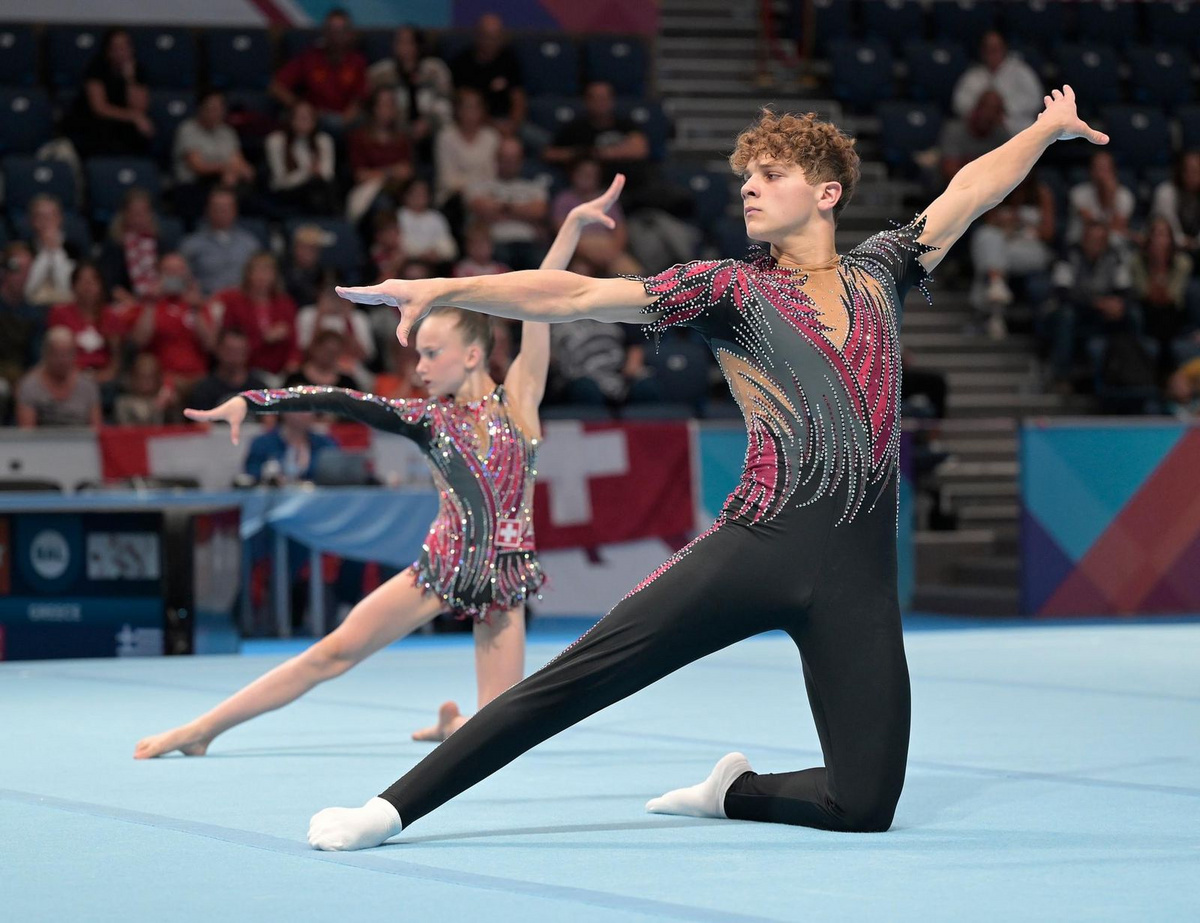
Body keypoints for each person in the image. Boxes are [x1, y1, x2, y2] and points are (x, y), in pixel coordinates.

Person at [313, 86, 1109, 851]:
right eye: (744, 178)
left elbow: (970, 191)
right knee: (576, 681)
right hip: (756, 547)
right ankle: (389, 807)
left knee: (863, 804)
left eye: (771, 175)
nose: (750, 190)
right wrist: (452, 286)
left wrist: (1044, 133)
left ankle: (732, 791)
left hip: (858, 580)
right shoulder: (729, 289)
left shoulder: (882, 273)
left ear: (828, 192)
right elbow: (579, 295)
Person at [133, 176, 626, 760]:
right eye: (417, 353)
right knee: (331, 654)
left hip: (504, 581)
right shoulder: (425, 419)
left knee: (502, 732)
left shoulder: (520, 403)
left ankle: (460, 724)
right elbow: (339, 399)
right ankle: (199, 730)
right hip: (441, 566)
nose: (419, 366)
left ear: (472, 353)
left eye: (431, 353)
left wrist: (568, 226)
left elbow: (541, 304)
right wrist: (256, 401)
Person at [269, 7, 367, 132]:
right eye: (331, 30)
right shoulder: (310, 58)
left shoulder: (358, 61)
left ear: (349, 34)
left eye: (341, 30)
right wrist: (300, 107)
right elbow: (276, 87)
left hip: (348, 121)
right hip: (316, 120)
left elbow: (359, 99)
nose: (335, 35)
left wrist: (345, 120)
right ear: (324, 32)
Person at [64, 27, 153, 158]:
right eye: (116, 47)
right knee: (103, 132)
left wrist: (130, 79)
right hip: (95, 121)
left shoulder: (137, 70)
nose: (122, 51)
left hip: (124, 123)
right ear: (108, 51)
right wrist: (133, 117)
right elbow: (99, 108)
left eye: (125, 46)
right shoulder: (97, 67)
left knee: (143, 133)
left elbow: (140, 108)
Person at [213, 252, 300, 380]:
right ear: (248, 274)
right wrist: (264, 339)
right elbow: (230, 344)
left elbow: (294, 343)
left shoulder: (285, 304)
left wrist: (293, 363)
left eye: (267, 272)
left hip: (282, 371)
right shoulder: (235, 304)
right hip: (247, 370)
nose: (262, 277)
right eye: (258, 271)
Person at [173, 90, 256, 224]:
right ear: (201, 109)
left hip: (223, 183)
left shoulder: (227, 132)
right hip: (194, 186)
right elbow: (197, 166)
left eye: (220, 108)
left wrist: (241, 171)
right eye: (212, 108)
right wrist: (225, 169)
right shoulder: (188, 129)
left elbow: (239, 162)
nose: (217, 112)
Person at [951, 30, 1043, 135]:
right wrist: (985, 111)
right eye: (989, 49)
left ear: (1004, 48)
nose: (993, 53)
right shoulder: (973, 75)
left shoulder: (1020, 71)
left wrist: (1003, 107)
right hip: (980, 129)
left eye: (996, 48)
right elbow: (958, 104)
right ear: (982, 51)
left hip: (1015, 126)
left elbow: (1035, 100)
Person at [15, 326, 102, 428]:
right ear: (46, 354)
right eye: (57, 355)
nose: (62, 361)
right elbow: (26, 434)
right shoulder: (29, 386)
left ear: (74, 354)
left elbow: (96, 432)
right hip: (41, 442)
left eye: (67, 354)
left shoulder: (88, 386)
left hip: (80, 442)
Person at [180, 187, 261, 295]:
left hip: (244, 304)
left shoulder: (250, 243)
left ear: (235, 211)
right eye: (217, 207)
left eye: (226, 208)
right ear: (207, 210)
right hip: (205, 303)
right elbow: (180, 279)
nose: (222, 212)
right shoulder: (191, 245)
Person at [265, 102, 338, 216]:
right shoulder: (276, 141)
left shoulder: (323, 140)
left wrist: (313, 174)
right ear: (290, 119)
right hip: (285, 191)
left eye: (308, 117)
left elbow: (328, 174)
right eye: (300, 117)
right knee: (314, 190)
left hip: (317, 188)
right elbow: (280, 181)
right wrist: (306, 173)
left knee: (320, 190)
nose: (304, 121)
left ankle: (328, 222)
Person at [99, 189, 166, 304]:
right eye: (135, 213)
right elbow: (108, 283)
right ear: (125, 214)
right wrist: (131, 302)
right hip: (126, 303)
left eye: (144, 213)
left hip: (157, 300)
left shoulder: (159, 242)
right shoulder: (114, 245)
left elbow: (171, 275)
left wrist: (161, 287)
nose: (140, 218)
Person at [188, 327, 268, 411]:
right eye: (229, 351)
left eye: (239, 352)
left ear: (247, 353)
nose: (234, 358)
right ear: (218, 351)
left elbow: (269, 420)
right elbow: (201, 421)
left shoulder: (259, 388)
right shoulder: (204, 389)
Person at [23, 195, 78, 307]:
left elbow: (67, 289)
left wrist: (56, 251)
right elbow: (27, 291)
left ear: (60, 218)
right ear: (32, 221)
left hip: (66, 306)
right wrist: (45, 253)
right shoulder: (25, 250)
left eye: (51, 216)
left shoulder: (73, 249)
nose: (46, 221)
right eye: (40, 216)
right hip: (32, 308)